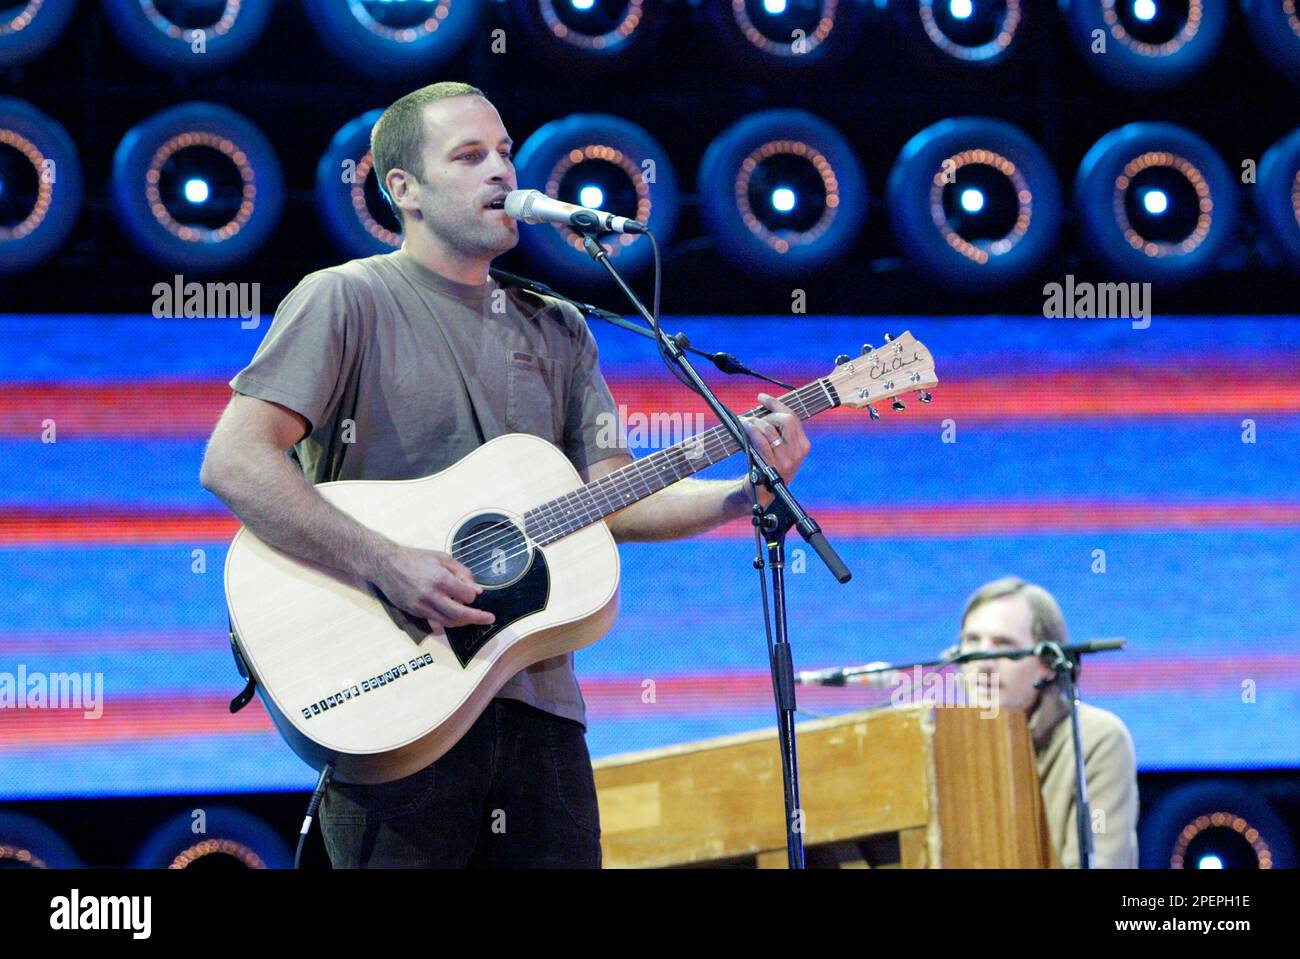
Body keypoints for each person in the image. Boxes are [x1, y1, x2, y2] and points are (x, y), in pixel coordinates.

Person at [198, 81, 810, 868]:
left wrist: (740, 493)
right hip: (396, 706)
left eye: (506, 151)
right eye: (469, 155)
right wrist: (387, 562)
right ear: (404, 190)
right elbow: (234, 458)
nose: (502, 171)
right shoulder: (345, 299)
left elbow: (611, 499)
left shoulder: (558, 324)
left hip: (541, 712)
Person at [957, 577, 1139, 868]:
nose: (984, 662)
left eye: (1004, 645)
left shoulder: (1097, 739)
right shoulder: (944, 744)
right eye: (973, 642)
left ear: (1047, 665)